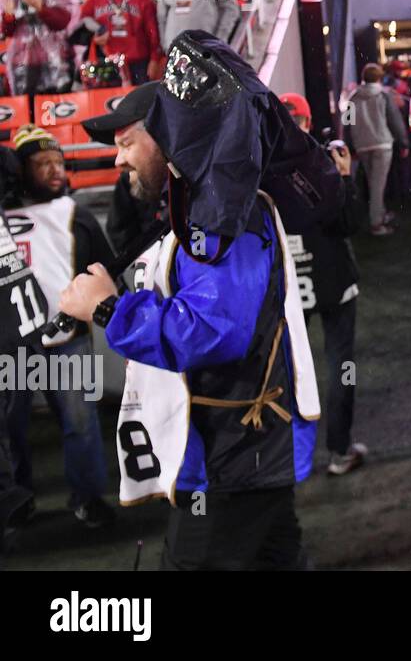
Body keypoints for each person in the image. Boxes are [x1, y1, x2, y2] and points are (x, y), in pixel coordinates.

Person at [60, 76, 322, 568]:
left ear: (168, 137)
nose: (118, 159)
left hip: (234, 452)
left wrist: (109, 310)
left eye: (126, 144)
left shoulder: (221, 212)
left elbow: (215, 331)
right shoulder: (201, 203)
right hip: (239, 447)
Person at [2, 126, 117, 530]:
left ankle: (87, 497)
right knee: (10, 429)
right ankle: (18, 500)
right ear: (19, 170)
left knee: (81, 423)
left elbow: (106, 267)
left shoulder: (75, 212)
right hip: (11, 346)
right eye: (42, 163)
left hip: (66, 340)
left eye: (58, 162)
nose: (55, 170)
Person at [278, 94, 369, 476]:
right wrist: (345, 176)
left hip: (286, 283)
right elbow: (349, 222)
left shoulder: (260, 166)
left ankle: (286, 458)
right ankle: (338, 450)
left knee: (286, 371)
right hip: (331, 278)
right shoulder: (321, 164)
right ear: (308, 122)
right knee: (339, 365)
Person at [343, 63, 410, 236]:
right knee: (378, 184)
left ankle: (379, 214)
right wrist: (403, 143)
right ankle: (377, 224)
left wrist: (350, 147)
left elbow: (347, 123)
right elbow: (394, 121)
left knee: (374, 183)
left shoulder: (353, 96)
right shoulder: (384, 95)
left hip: (362, 145)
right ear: (379, 77)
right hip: (382, 144)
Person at [1, 0, 78, 94]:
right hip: (23, 63)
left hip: (56, 59)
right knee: (27, 107)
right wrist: (8, 16)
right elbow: (7, 32)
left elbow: (62, 23)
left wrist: (41, 9)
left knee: (53, 107)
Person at [80, 0, 161, 84]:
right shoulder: (94, 1)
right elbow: (80, 26)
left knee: (139, 102)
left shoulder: (143, 0)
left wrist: (154, 60)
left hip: (139, 62)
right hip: (107, 64)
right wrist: (94, 35)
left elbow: (154, 34)